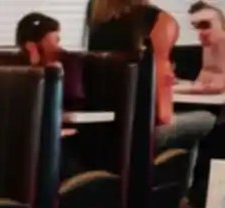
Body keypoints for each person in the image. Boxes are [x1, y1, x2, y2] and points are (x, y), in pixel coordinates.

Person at [87, 0, 215, 157]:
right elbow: (163, 115)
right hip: (138, 135)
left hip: (99, 137)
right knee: (207, 119)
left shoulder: (96, 17)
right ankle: (187, 181)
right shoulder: (159, 21)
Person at [16, 13, 86, 109]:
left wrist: (53, 75)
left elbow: (72, 97)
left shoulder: (68, 61)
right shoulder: (17, 64)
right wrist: (34, 68)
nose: (58, 41)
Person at [191, 2, 225, 91]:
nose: (200, 32)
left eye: (205, 25)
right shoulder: (209, 46)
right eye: (196, 26)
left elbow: (218, 86)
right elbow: (203, 83)